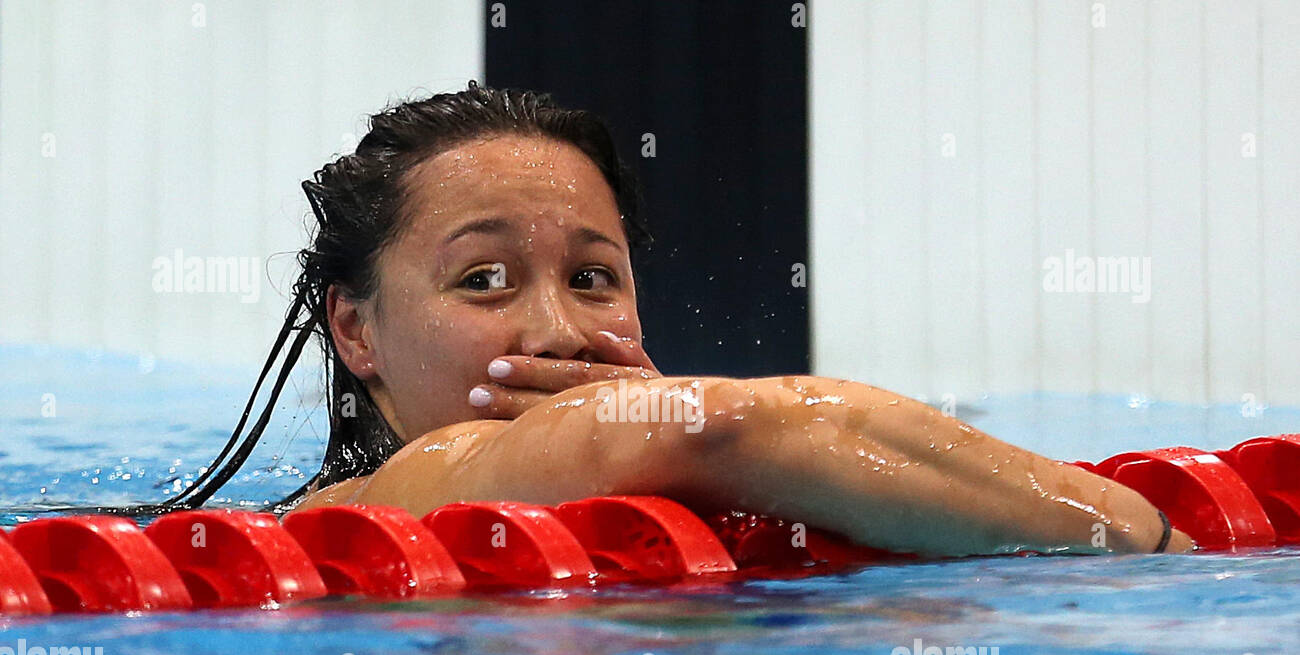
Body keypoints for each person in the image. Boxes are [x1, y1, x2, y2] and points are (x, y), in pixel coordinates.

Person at [170, 81, 1192, 558]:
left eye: (592, 278)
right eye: (482, 280)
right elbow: (724, 424)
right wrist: (1155, 551)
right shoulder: (392, 497)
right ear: (356, 332)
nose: (557, 331)